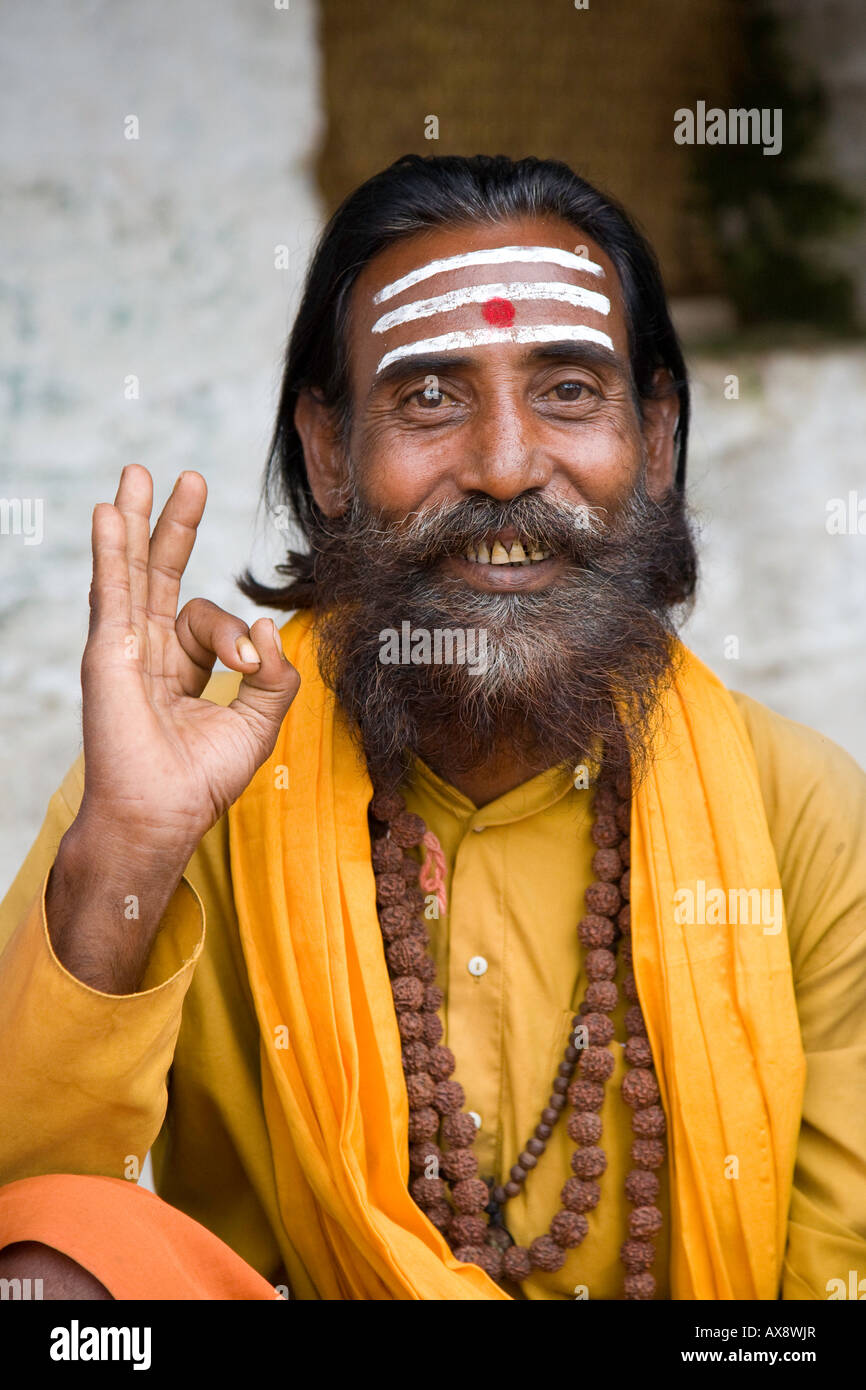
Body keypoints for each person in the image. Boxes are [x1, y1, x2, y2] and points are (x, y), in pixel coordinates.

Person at [0, 154, 863, 1302]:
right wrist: (128, 850)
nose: (505, 465)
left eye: (566, 390)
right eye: (427, 397)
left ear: (652, 440)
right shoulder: (178, 785)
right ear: (326, 451)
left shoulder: (795, 808)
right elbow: (23, 1189)